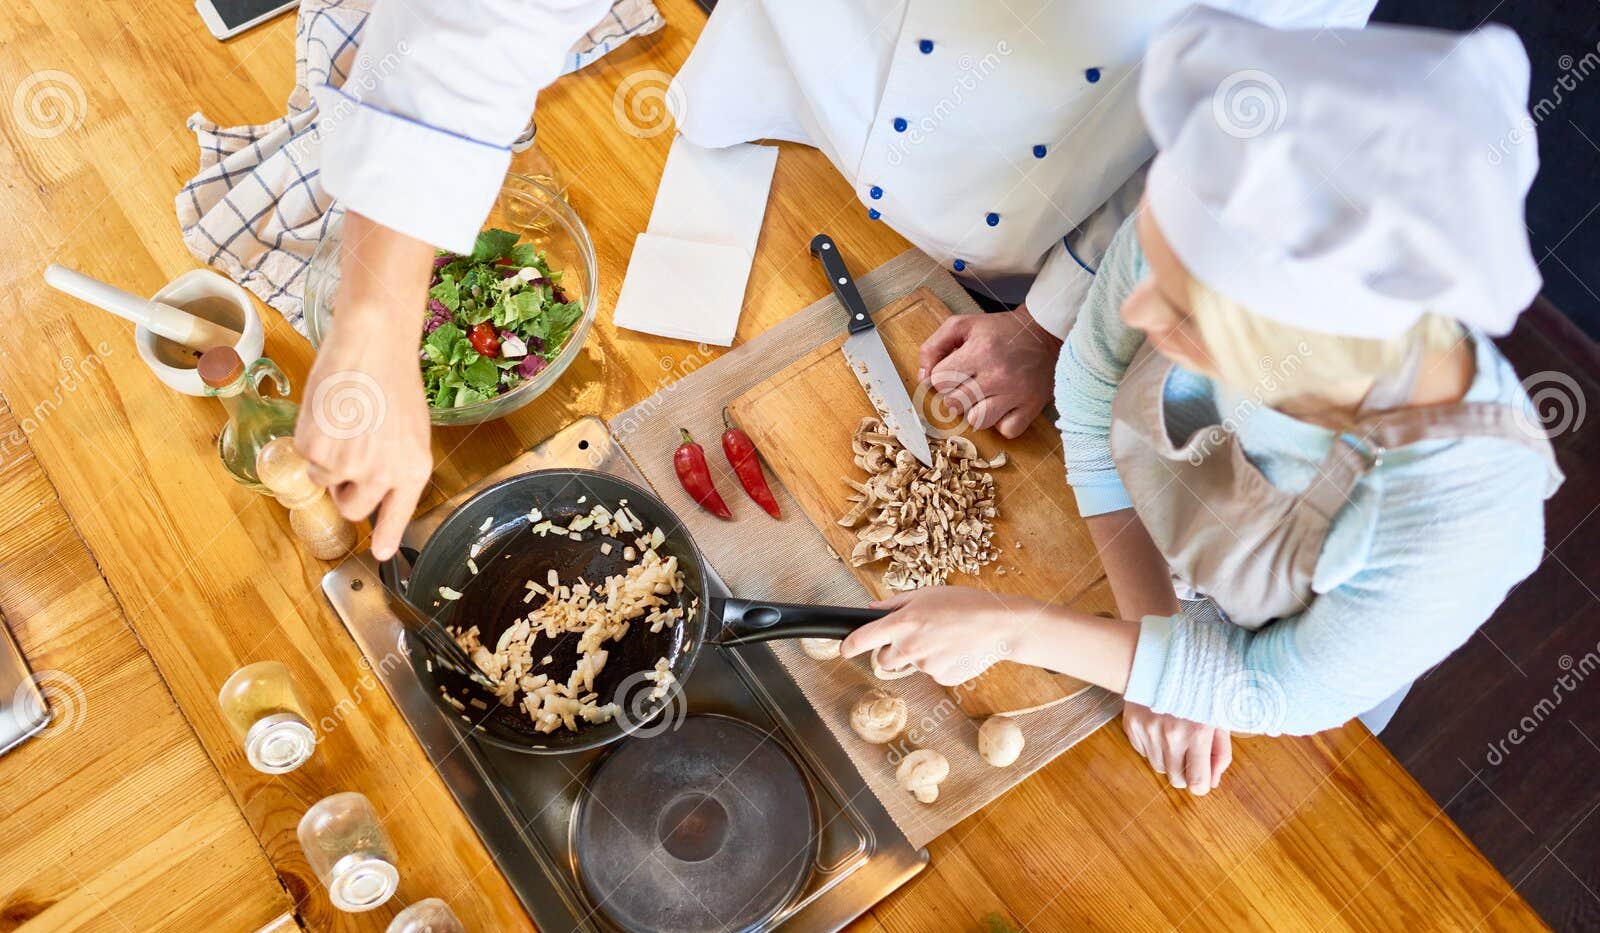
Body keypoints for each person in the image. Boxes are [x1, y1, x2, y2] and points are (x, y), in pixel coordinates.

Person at [300, 0, 1375, 558]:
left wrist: (1048, 325)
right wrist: (376, 324)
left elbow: (1224, 138)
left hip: (1024, 236)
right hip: (780, 107)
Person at [841, 8, 1563, 796]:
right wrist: (1154, 640)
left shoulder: (1460, 524)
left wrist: (1018, 628)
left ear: (1302, 350)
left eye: (1182, 315)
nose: (1139, 312)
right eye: (1149, 266)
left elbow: (1276, 689)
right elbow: (1085, 390)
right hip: (1136, 573)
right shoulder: (1213, 216)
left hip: (1265, 699)